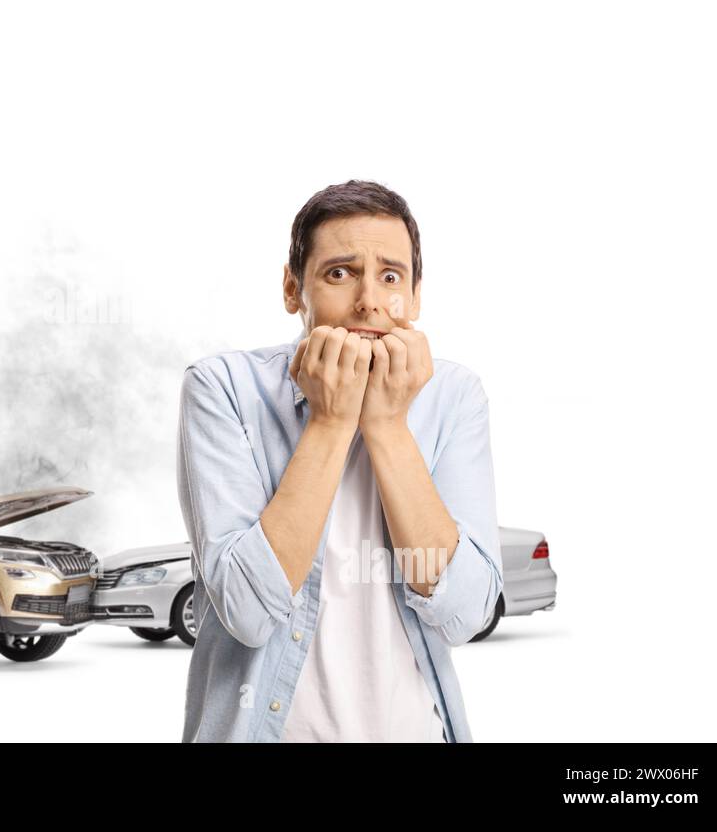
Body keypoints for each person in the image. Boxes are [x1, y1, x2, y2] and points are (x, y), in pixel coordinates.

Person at [178, 179, 503, 742]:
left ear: (415, 297)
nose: (369, 301)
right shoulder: (223, 388)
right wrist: (330, 422)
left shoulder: (454, 396)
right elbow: (247, 612)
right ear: (292, 288)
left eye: (390, 277)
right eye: (339, 273)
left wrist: (387, 425)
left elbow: (466, 613)